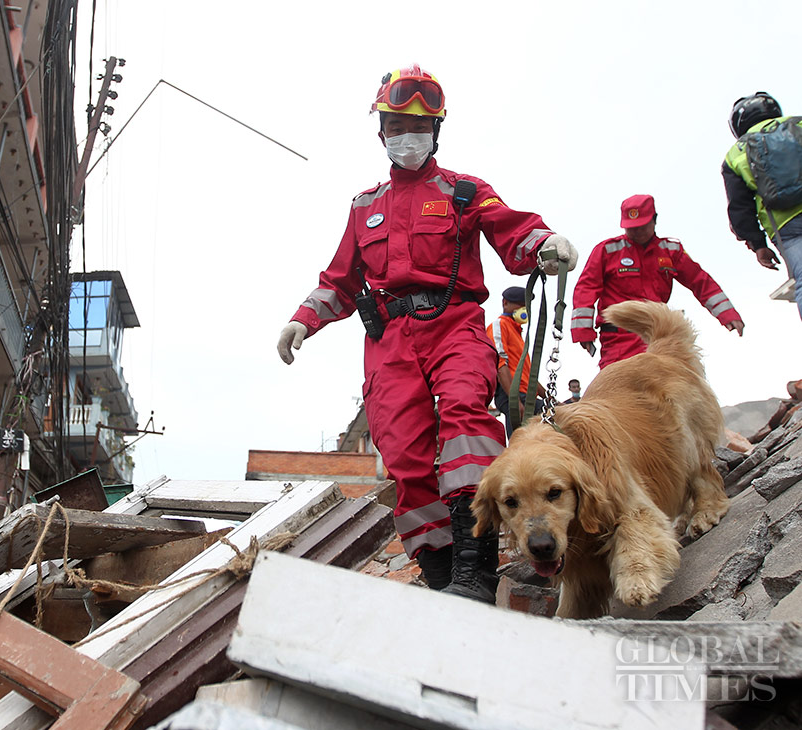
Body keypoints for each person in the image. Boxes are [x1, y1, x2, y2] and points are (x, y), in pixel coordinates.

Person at [275, 64, 578, 604]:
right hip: (389, 342)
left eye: (416, 124)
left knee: (466, 416)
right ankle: (443, 582)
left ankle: (477, 572)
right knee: (406, 459)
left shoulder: (464, 191)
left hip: (454, 325)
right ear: (381, 133)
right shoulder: (364, 207)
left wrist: (545, 243)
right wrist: (304, 319)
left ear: (436, 130)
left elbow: (512, 231)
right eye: (394, 125)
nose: (404, 135)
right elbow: (340, 281)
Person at [571, 194, 743, 369]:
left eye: (641, 226)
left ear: (654, 220)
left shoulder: (671, 251)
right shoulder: (607, 251)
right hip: (618, 339)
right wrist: (583, 331)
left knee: (668, 388)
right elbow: (586, 288)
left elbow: (701, 282)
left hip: (659, 337)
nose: (636, 231)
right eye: (631, 228)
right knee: (619, 388)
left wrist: (728, 315)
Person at [722, 92, 802, 321]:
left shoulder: (735, 154)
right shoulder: (798, 123)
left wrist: (757, 244)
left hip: (787, 228)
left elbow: (740, 208)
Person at [485, 286, 546, 437]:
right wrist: (515, 401)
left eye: (525, 305)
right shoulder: (499, 325)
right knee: (521, 442)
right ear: (505, 303)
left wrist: (550, 399)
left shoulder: (518, 333)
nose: (523, 308)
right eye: (519, 304)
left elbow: (530, 377)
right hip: (513, 395)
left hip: (527, 395)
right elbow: (500, 364)